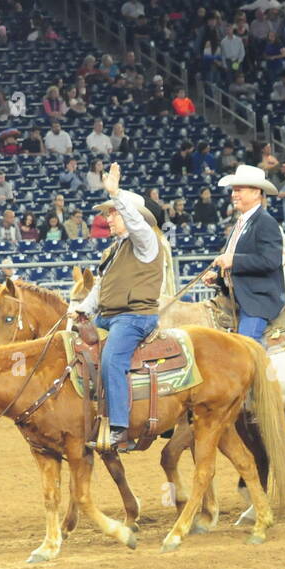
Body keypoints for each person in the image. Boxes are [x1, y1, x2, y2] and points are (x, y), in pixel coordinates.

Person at [67, 163, 172, 451]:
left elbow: (136, 225)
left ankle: (120, 428)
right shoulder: (114, 250)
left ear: (131, 215)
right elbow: (101, 287)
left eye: (112, 213)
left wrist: (117, 195)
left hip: (135, 317)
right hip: (110, 317)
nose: (107, 218)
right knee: (70, 344)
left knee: (113, 359)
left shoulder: (147, 242)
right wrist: (84, 310)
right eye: (106, 213)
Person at [204, 165, 285, 342]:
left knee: (246, 346)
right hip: (241, 297)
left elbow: (271, 260)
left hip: (256, 301)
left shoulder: (265, 222)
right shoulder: (241, 223)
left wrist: (233, 260)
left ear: (256, 192)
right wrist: (218, 278)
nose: (233, 194)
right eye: (233, 190)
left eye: (239, 190)